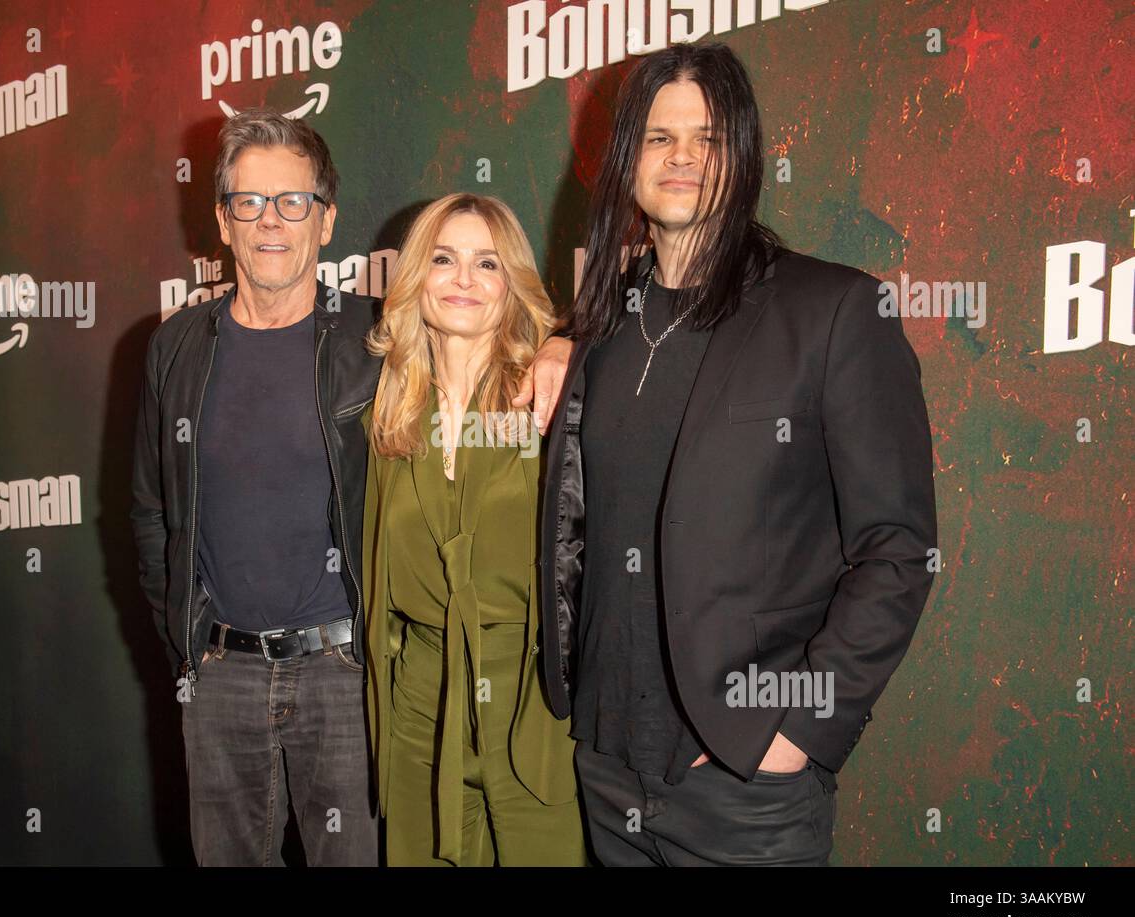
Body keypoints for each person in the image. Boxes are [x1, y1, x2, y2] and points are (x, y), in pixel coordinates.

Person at [130, 110, 573, 866]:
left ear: (326, 219)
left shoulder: (376, 344)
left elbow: (487, 323)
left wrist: (565, 343)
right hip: (219, 673)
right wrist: (190, 647)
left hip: (347, 674)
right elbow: (150, 512)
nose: (272, 221)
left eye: (294, 201)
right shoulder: (175, 347)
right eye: (250, 202)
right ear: (222, 221)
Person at [539, 42, 938, 866]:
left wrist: (799, 729)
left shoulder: (832, 310)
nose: (682, 157)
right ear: (627, 162)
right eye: (658, 137)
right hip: (608, 768)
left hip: (745, 785)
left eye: (709, 138)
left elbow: (897, 550)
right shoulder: (599, 331)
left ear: (744, 156)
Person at [361, 194, 586, 866]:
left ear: (510, 283)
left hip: (535, 707)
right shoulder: (389, 412)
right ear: (413, 280)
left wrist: (568, 336)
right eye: (443, 259)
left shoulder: (548, 398)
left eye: (486, 263)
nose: (463, 278)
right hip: (419, 712)